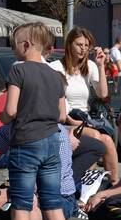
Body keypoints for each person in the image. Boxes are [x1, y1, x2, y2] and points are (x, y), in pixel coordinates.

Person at [3, 22, 68, 220]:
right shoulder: (56, 76)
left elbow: (10, 111)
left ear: (27, 44)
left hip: (26, 142)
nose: (13, 50)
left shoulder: (17, 72)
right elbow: (62, 115)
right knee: (53, 207)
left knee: (21, 205)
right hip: (52, 142)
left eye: (15, 44)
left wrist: (1, 116)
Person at [49, 27, 117, 176]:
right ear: (69, 45)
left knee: (108, 140)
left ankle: (114, 185)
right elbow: (52, 102)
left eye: (86, 46)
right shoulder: (55, 68)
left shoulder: (90, 67)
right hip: (65, 120)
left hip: (84, 119)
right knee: (96, 137)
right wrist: (71, 121)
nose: (83, 49)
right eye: (79, 45)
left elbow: (103, 93)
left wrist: (100, 66)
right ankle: (84, 179)